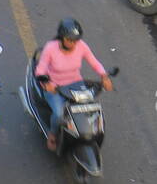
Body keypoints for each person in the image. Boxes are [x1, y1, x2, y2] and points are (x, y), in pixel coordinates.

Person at [35, 19, 112, 152]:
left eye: (75, 40)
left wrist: (104, 76)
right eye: (70, 40)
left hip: (76, 86)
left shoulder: (81, 45)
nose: (73, 43)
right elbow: (40, 70)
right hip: (56, 88)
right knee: (59, 114)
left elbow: (94, 62)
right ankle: (52, 134)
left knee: (89, 109)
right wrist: (47, 83)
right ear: (62, 37)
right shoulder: (51, 48)